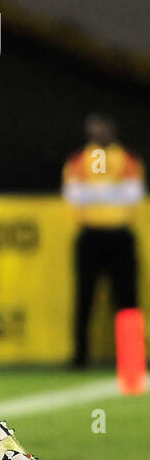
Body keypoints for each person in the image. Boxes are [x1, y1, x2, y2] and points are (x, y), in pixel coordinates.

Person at [62, 114, 143, 368]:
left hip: (120, 234)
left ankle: (131, 358)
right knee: (84, 297)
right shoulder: (79, 160)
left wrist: (95, 192)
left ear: (112, 127)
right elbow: (73, 194)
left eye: (103, 125)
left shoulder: (127, 158)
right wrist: (111, 191)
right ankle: (80, 357)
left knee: (127, 299)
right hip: (91, 234)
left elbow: (134, 193)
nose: (99, 130)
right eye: (95, 126)